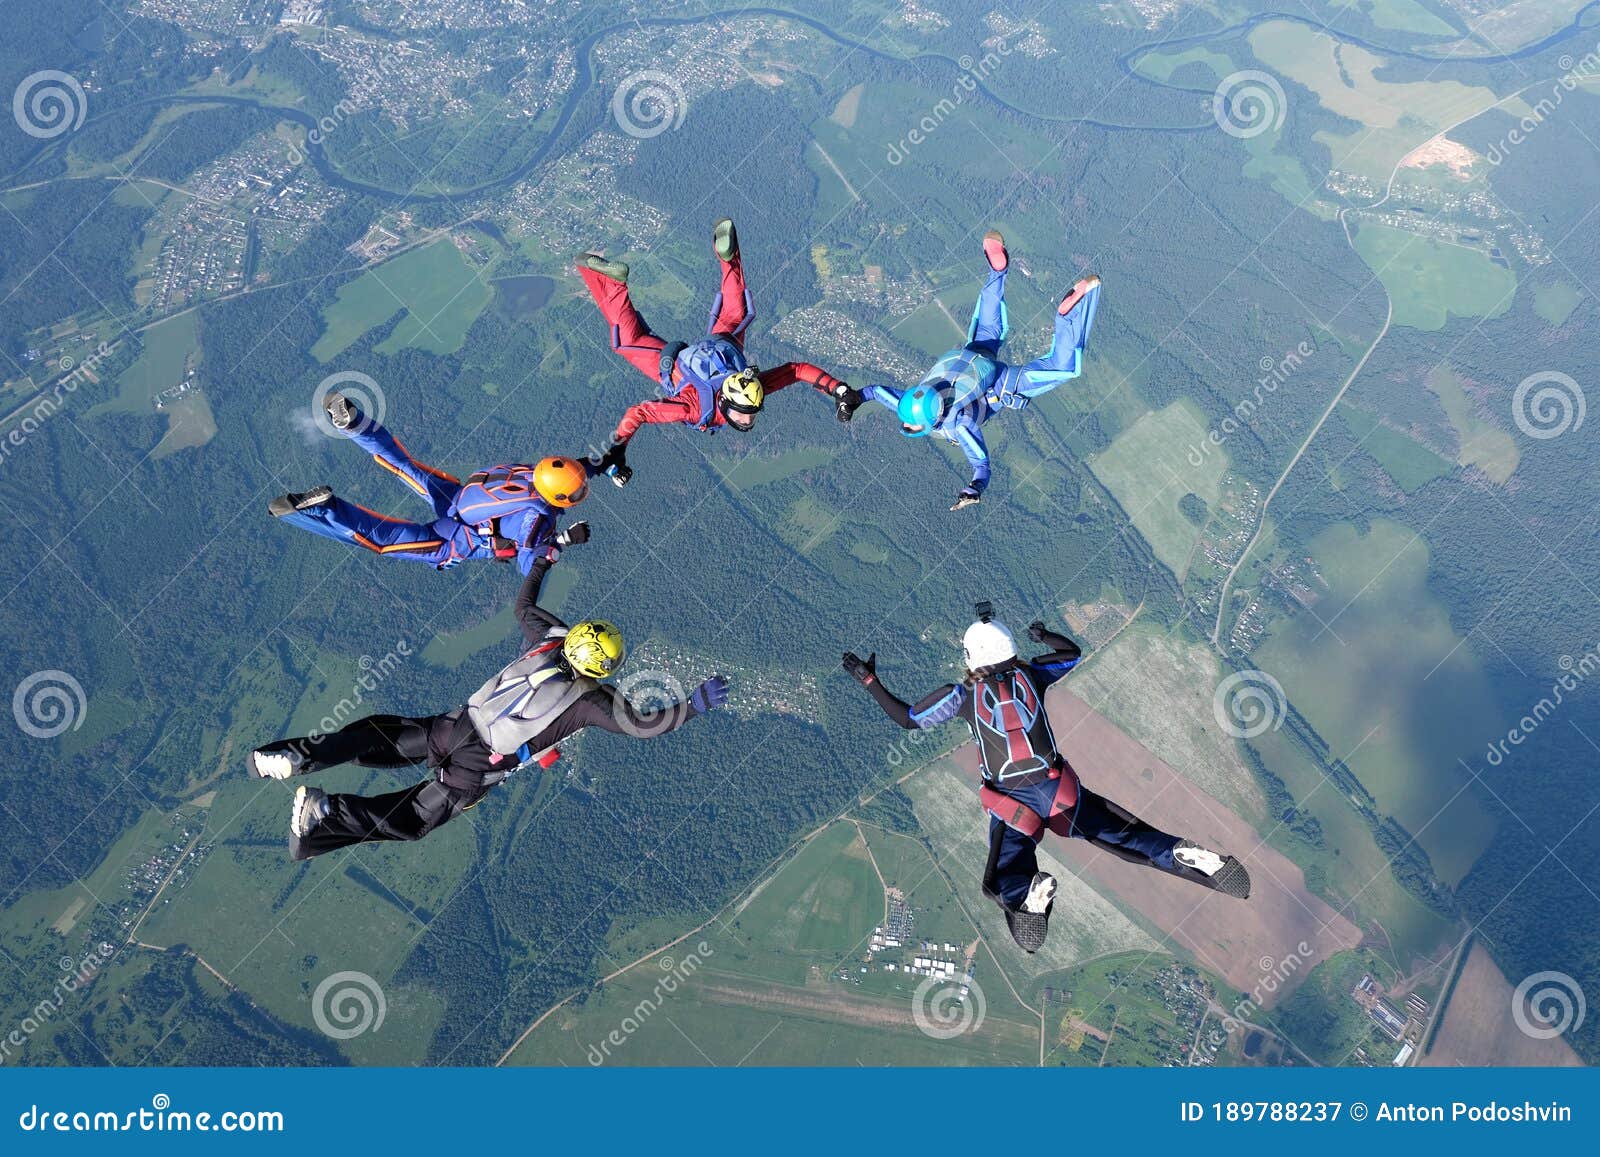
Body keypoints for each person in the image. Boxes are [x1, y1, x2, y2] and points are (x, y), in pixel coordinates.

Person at [249, 533, 731, 861]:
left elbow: (523, 604)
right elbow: (642, 725)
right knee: (412, 818)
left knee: (377, 739)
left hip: (452, 726)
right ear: (604, 667)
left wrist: (549, 555)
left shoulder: (550, 639)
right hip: (475, 768)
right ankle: (328, 812)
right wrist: (693, 705)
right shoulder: (590, 700)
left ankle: (295, 755)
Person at [842, 603, 1248, 953]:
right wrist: (1044, 634)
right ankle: (1187, 856)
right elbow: (1072, 653)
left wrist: (869, 681)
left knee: (1000, 879)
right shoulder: (1033, 676)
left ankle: (1027, 901)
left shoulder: (961, 696)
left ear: (971, 657)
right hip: (1060, 790)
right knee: (1126, 839)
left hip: (1012, 804)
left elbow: (907, 719)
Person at [577, 218, 855, 485]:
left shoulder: (750, 389)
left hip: (722, 348)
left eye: (751, 414)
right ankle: (613, 284)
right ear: (725, 405)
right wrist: (619, 445)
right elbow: (640, 412)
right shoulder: (690, 409)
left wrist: (839, 390)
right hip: (677, 366)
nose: (748, 420)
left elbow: (796, 371)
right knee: (626, 340)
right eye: (745, 415)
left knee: (735, 312)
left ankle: (728, 257)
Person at [837, 230, 1101, 510]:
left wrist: (974, 489)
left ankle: (1066, 319)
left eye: (912, 425)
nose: (905, 424)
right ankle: (997, 271)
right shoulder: (911, 401)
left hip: (998, 385)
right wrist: (856, 398)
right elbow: (878, 392)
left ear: (932, 420)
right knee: (987, 329)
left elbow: (981, 464)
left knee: (1063, 367)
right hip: (969, 359)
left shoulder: (958, 424)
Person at [269, 392, 593, 573]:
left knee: (400, 464)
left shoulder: (533, 473)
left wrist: (602, 465)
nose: (579, 492)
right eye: (575, 492)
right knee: (383, 540)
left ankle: (354, 425)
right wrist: (560, 545)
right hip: (454, 541)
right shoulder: (537, 516)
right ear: (559, 496)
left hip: (456, 497)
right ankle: (325, 510)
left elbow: (575, 472)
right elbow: (528, 561)